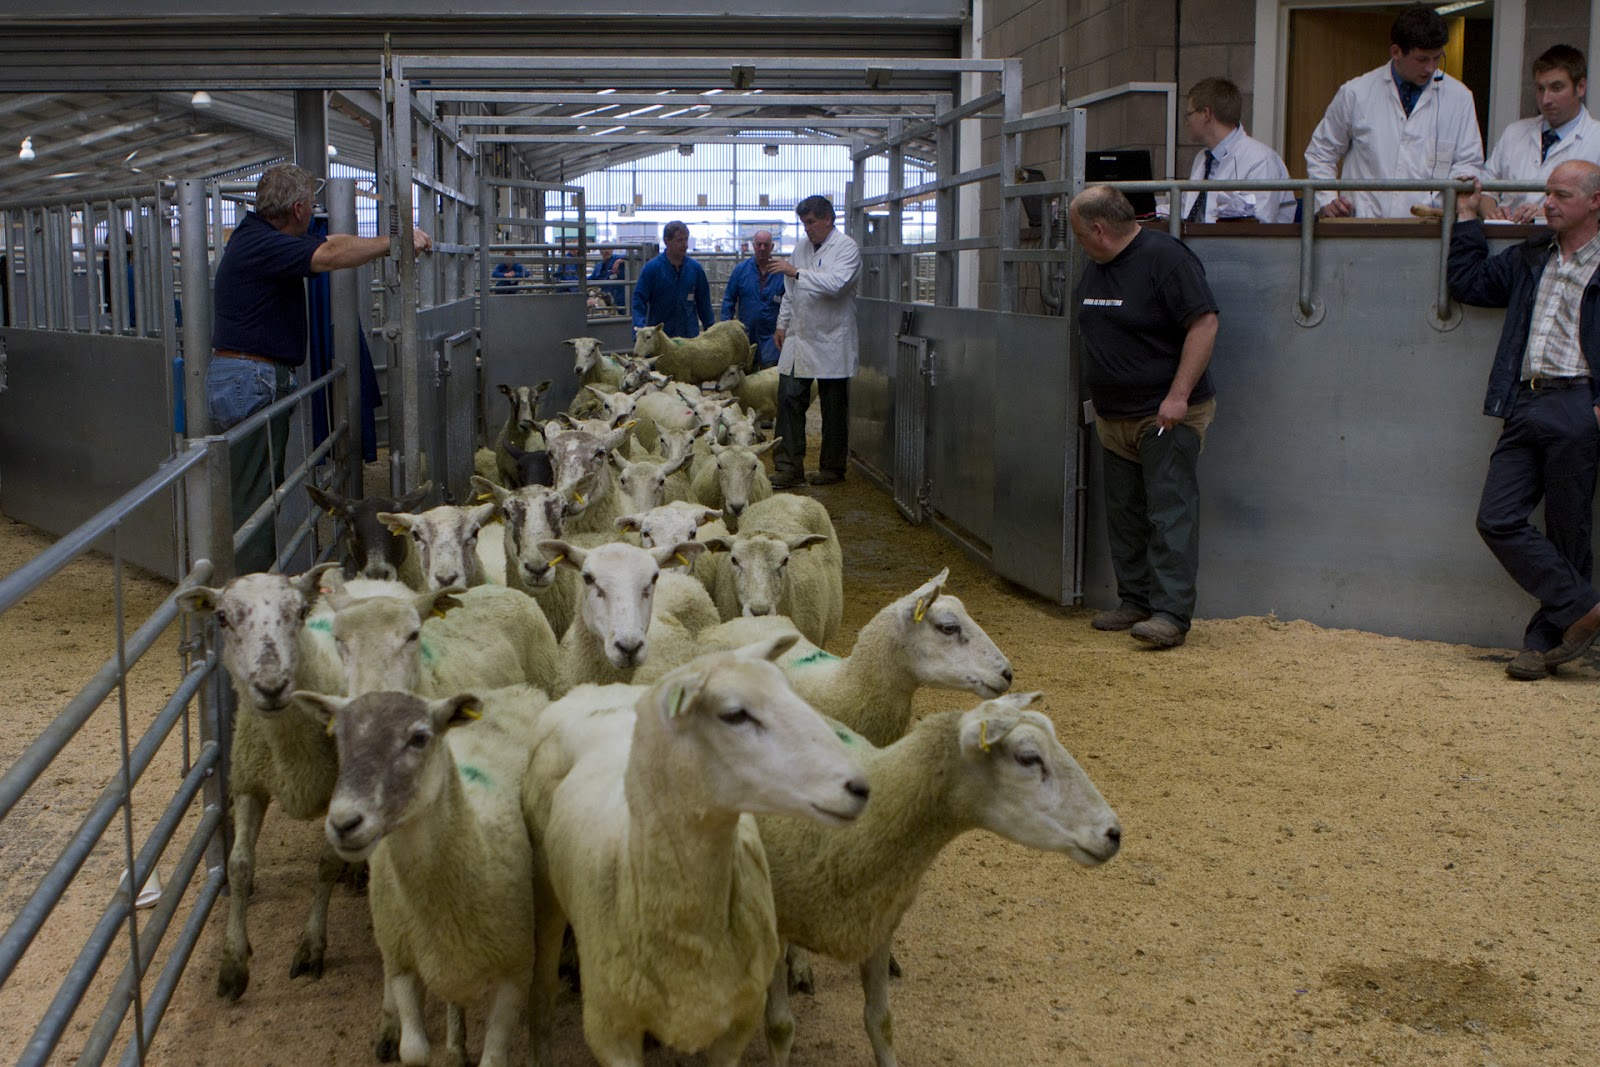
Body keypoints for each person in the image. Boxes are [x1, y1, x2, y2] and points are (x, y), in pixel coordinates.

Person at [209, 163, 431, 574]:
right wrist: (393, 244)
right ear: (297, 209)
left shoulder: (259, 237)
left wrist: (393, 240)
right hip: (249, 378)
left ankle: (251, 579)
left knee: (259, 487)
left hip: (250, 376)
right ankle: (247, 590)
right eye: (311, 205)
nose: (313, 212)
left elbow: (331, 241)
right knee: (254, 498)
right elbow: (329, 254)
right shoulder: (262, 244)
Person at [1447, 160, 1600, 679]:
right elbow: (1468, 282)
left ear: (1594, 202)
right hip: (1526, 400)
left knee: (1568, 528)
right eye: (1547, 192)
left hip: (1579, 403)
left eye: (1561, 194)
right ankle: (1584, 607)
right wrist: (1467, 217)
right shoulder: (1534, 256)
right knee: (1497, 517)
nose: (1549, 201)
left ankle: (1542, 644)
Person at [1070, 186, 1219, 650]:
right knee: (1126, 514)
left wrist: (1178, 396)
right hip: (1114, 417)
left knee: (1169, 512)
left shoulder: (1165, 258)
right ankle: (1134, 599)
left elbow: (1204, 323)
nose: (1076, 241)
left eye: (1078, 232)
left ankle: (1172, 613)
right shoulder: (1096, 268)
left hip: (1164, 415)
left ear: (1098, 229)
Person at [1305, 3, 1483, 219]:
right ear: (1396, 51)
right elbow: (1321, 152)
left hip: (1430, 229)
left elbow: (1469, 162)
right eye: (1422, 59)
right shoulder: (1356, 93)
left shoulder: (1459, 97)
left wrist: (1459, 189)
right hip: (1362, 225)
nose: (1431, 68)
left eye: (1437, 58)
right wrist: (1327, 200)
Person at [769, 196, 862, 488]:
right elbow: (790, 292)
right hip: (801, 337)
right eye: (803, 223)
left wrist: (796, 272)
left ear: (827, 219)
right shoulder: (801, 248)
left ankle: (833, 468)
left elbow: (837, 284)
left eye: (811, 222)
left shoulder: (846, 247)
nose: (807, 229)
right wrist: (781, 324)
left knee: (833, 408)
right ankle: (788, 467)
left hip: (832, 338)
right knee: (788, 399)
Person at [1479, 45, 1600, 222]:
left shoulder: (1596, 139)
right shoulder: (1515, 132)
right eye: (1540, 89)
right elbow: (1486, 187)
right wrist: (1491, 212)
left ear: (1580, 87)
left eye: (1556, 88)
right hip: (1506, 240)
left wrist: (1549, 213)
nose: (1546, 99)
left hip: (1565, 243)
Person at [1179, 77, 1295, 224]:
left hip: (1239, 245)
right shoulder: (1202, 158)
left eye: (1189, 114)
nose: (1187, 122)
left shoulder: (1260, 160)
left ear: (1206, 114)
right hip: (1198, 243)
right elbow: (1187, 210)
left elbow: (1259, 226)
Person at [631, 221, 712, 338]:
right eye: (680, 240)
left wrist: (710, 332)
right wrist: (639, 331)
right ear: (667, 241)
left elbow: (704, 303)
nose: (685, 245)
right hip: (661, 338)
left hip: (688, 338)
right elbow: (639, 300)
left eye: (686, 239)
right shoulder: (652, 269)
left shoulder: (695, 269)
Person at [720, 229, 785, 368]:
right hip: (746, 335)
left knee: (769, 379)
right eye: (759, 244)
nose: (762, 248)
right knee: (747, 374)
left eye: (766, 245)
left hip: (772, 338)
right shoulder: (741, 271)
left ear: (772, 247)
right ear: (753, 245)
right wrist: (726, 328)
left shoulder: (781, 273)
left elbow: (790, 303)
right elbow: (729, 300)